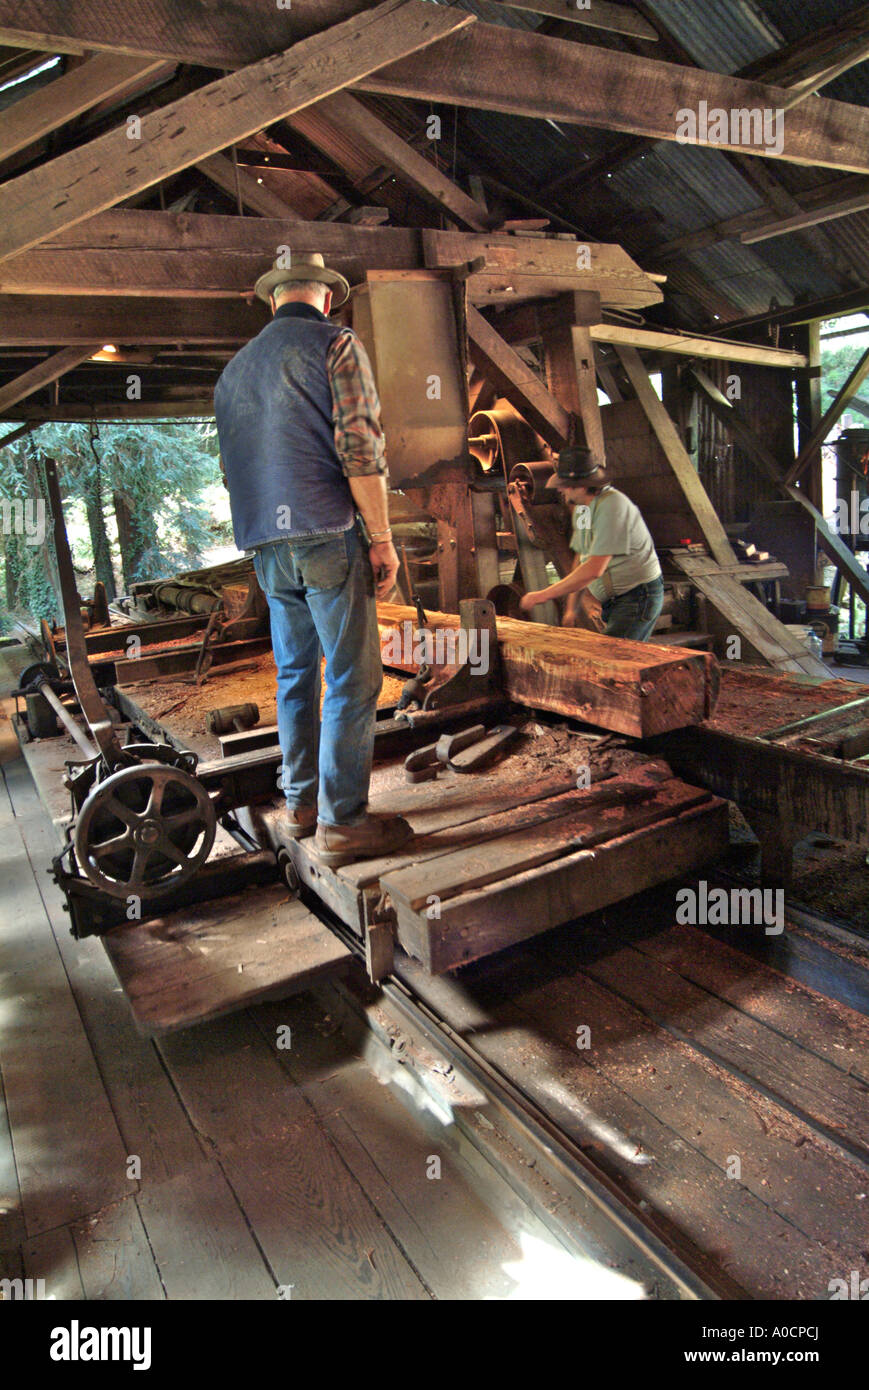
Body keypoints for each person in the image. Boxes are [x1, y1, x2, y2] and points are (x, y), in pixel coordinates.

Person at [214, 252, 412, 867]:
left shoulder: (233, 372)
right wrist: (381, 538)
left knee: (297, 673)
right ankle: (344, 823)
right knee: (353, 677)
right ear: (327, 296)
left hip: (265, 544)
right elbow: (360, 447)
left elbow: (231, 469)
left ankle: (301, 804)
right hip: (327, 531)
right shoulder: (337, 343)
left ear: (274, 299)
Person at [519, 446, 664, 641]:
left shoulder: (612, 508)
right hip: (619, 600)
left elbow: (594, 569)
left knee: (613, 664)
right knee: (617, 664)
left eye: (564, 484)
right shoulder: (583, 510)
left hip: (638, 598)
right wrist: (571, 608)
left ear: (581, 485)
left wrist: (542, 595)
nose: (560, 489)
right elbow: (581, 555)